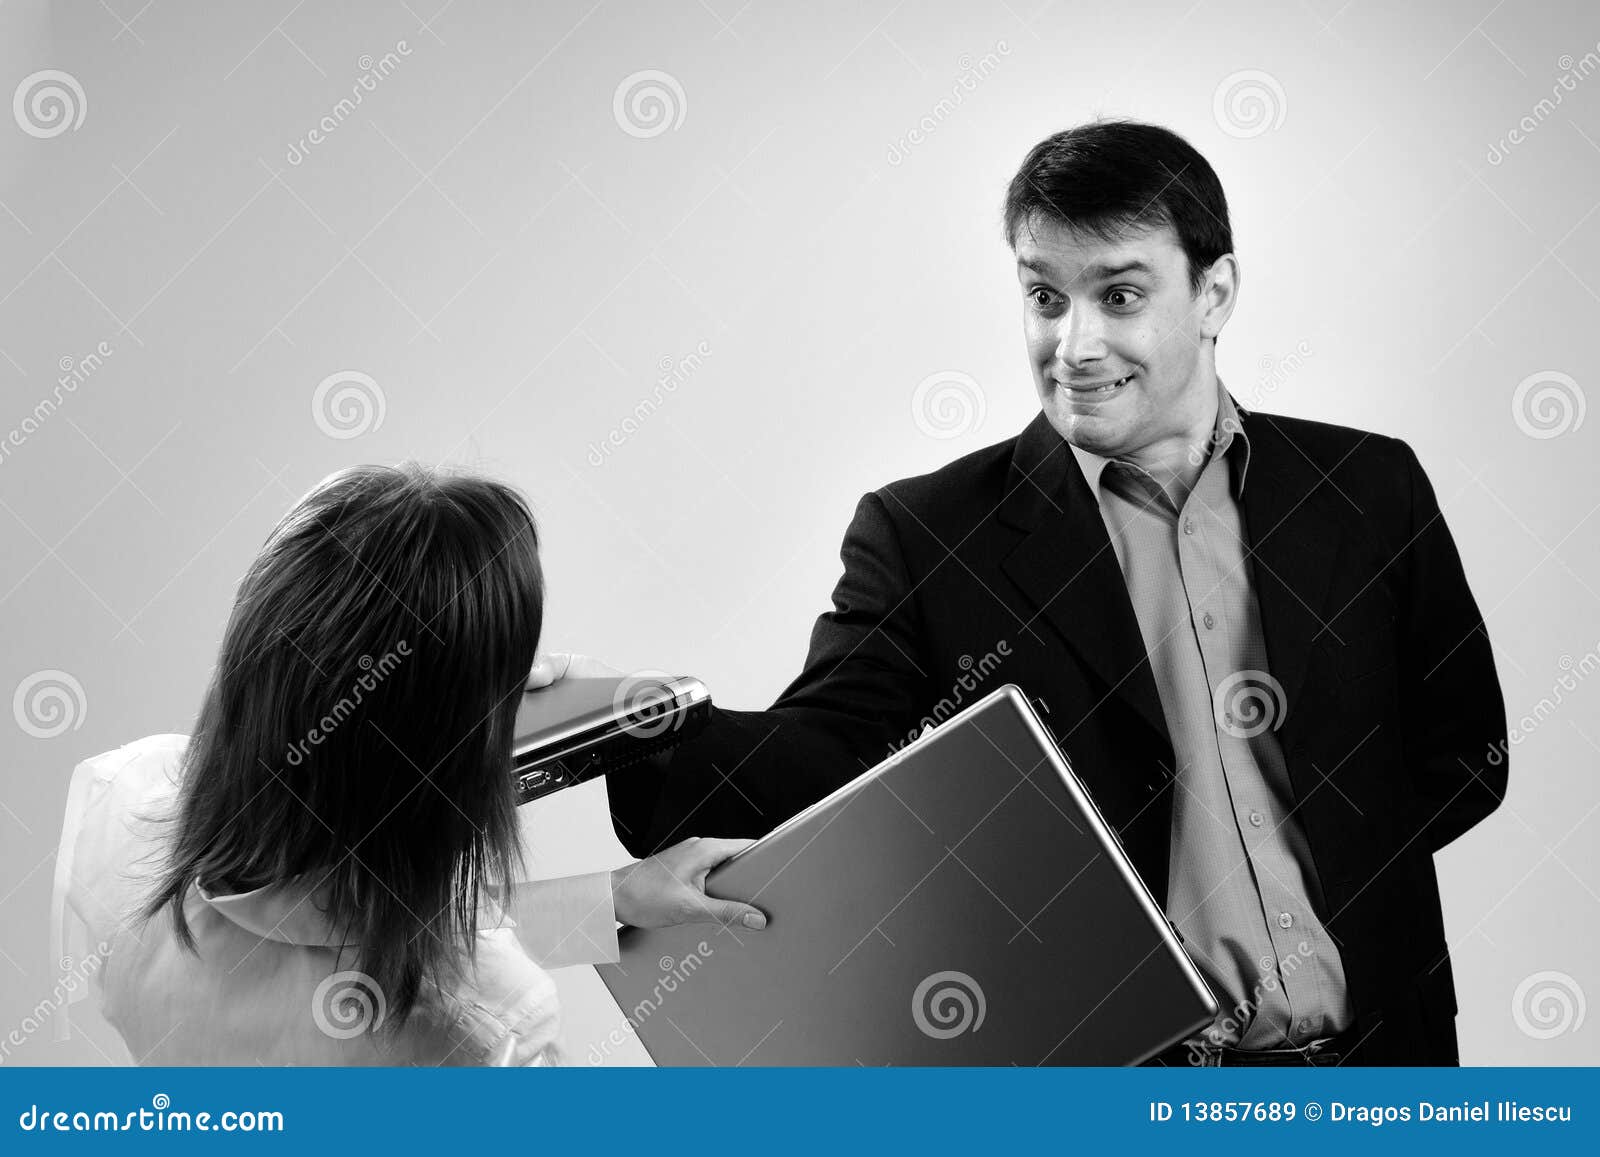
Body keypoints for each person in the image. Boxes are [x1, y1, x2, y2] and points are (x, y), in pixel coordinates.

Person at [560, 120, 1508, 1066]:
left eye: (1120, 295)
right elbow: (822, 770)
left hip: (1389, 1067)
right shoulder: (931, 535)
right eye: (1046, 297)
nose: (1075, 344)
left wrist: (1312, 883)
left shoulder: (1367, 487)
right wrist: (629, 719)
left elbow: (1464, 758)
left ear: (1214, 293)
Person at [51, 463, 763, 1066]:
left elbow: (300, 931)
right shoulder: (495, 1028)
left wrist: (612, 898)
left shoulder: (116, 803)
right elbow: (413, 964)